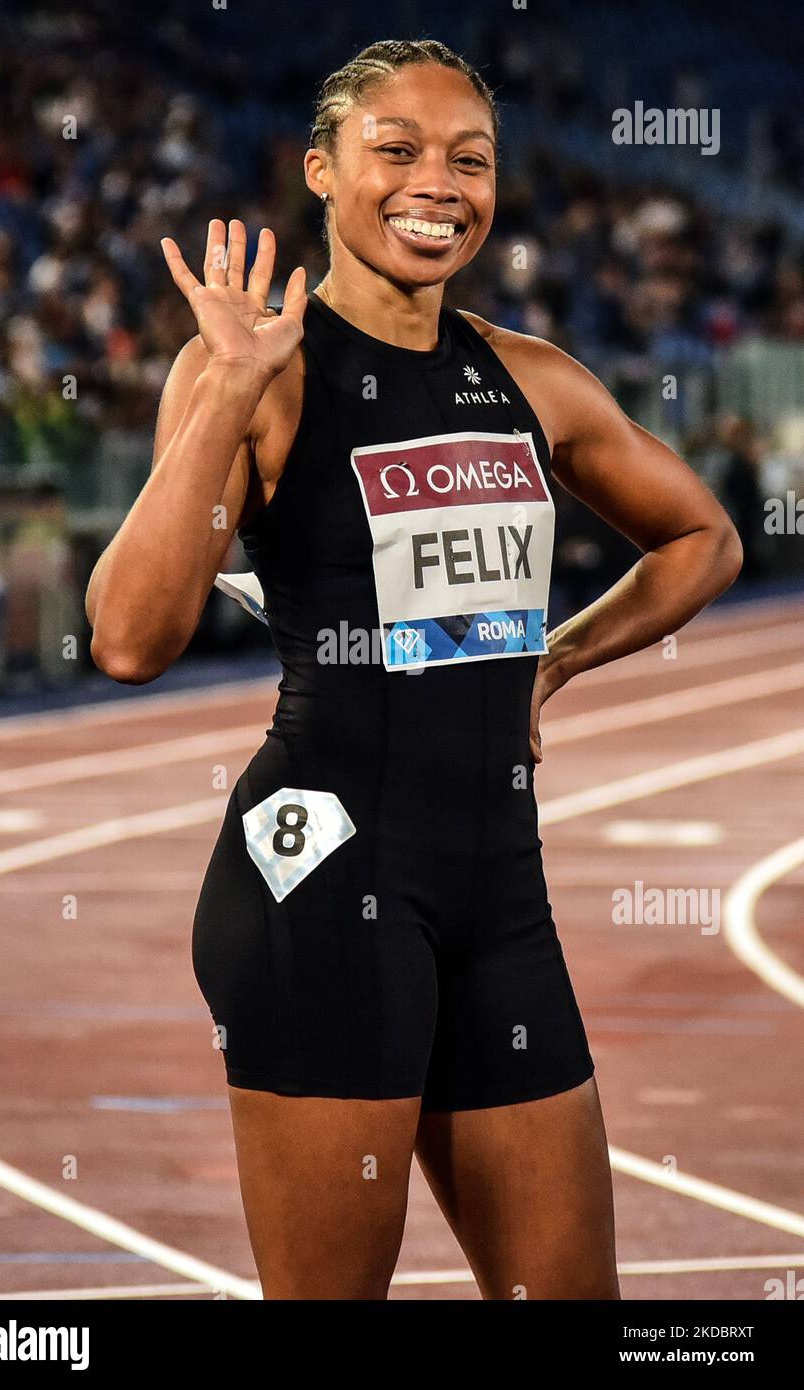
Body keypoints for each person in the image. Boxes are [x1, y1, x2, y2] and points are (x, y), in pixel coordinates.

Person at [85, 39, 743, 1300]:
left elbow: (700, 537)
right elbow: (125, 638)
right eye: (396, 150)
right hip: (319, 887)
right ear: (322, 172)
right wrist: (225, 392)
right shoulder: (258, 380)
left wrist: (551, 664)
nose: (435, 182)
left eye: (469, 158)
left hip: (500, 895)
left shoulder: (529, 380)